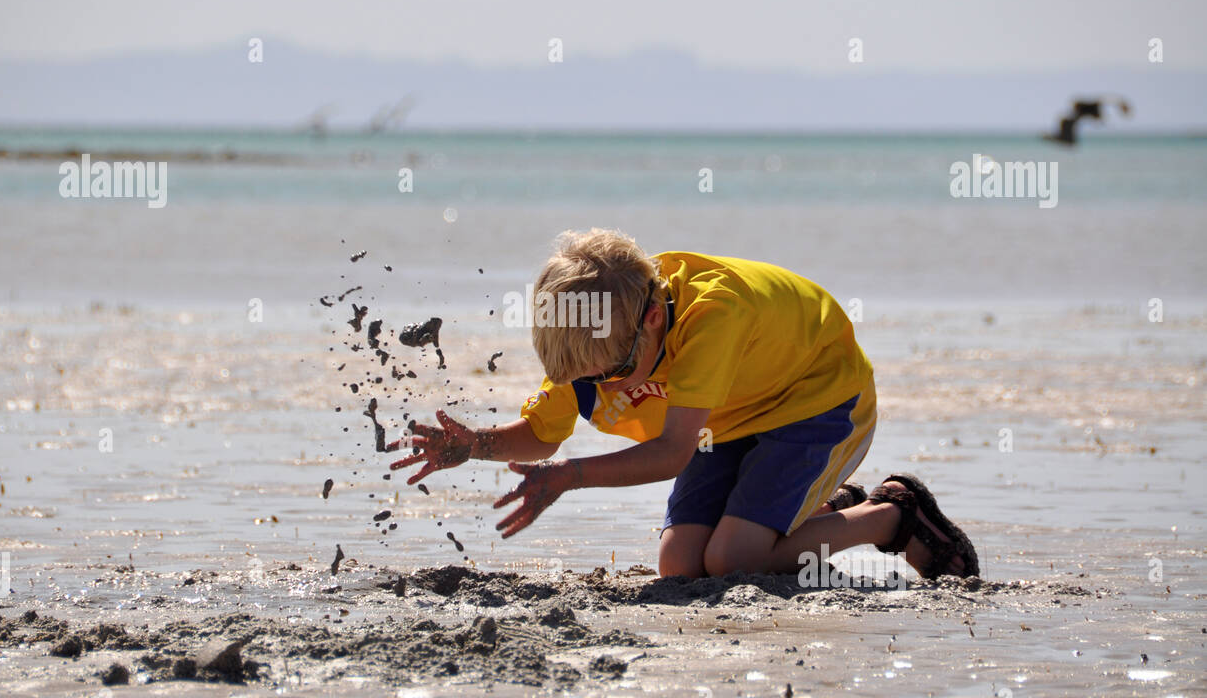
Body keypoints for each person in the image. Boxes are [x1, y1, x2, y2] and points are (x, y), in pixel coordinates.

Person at [389, 228, 977, 580]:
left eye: (611, 375)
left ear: (651, 319)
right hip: (720, 421)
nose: (602, 388)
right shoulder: (594, 338)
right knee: (680, 564)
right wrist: (475, 445)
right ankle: (813, 508)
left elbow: (670, 452)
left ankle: (891, 516)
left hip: (815, 398)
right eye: (577, 379)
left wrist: (569, 477)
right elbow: (544, 433)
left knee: (733, 560)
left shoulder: (713, 317)